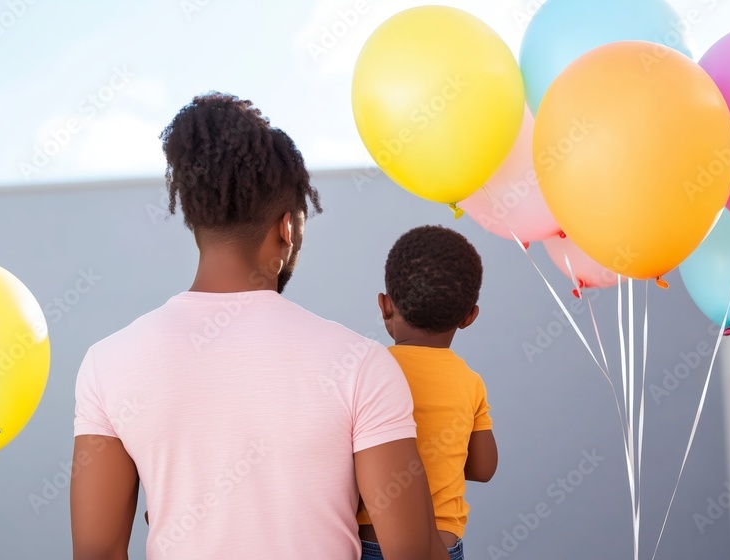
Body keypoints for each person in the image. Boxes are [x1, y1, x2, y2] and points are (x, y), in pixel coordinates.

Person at [70, 92, 450, 560]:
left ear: (196, 220)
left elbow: (96, 552)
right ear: (287, 229)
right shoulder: (362, 365)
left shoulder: (107, 363)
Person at [357, 225, 499, 560]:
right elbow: (483, 468)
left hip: (371, 542)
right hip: (444, 544)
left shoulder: (367, 370)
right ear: (469, 316)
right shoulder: (469, 382)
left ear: (385, 306)